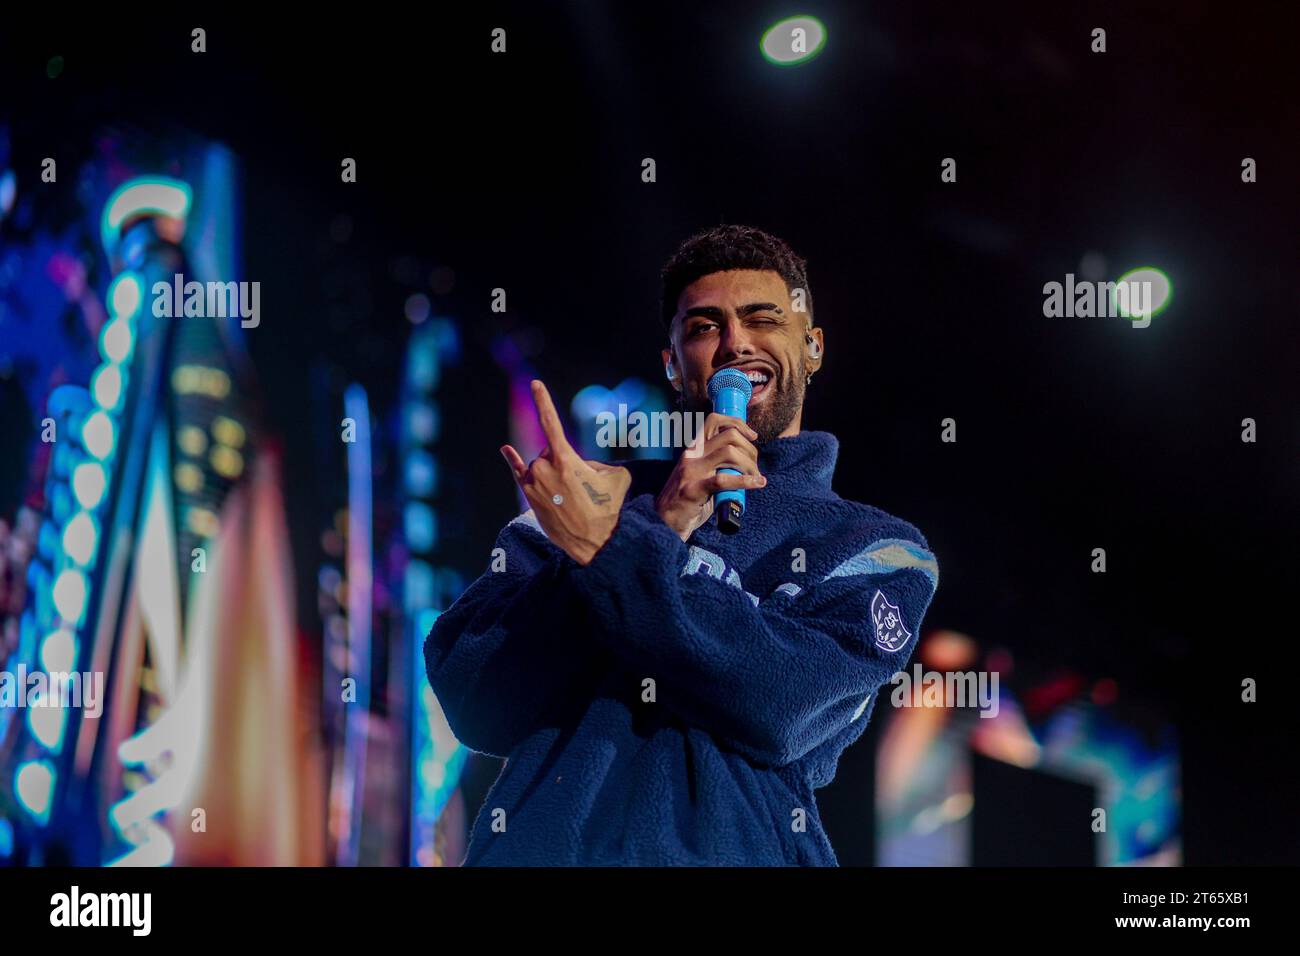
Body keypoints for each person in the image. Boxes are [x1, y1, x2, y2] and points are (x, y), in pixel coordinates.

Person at [425, 224, 938, 865]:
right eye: (703, 327)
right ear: (672, 364)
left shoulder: (878, 548)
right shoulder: (592, 499)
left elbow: (778, 703)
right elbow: (474, 695)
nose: (734, 344)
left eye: (763, 319)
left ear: (812, 348)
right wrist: (655, 528)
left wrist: (610, 554)